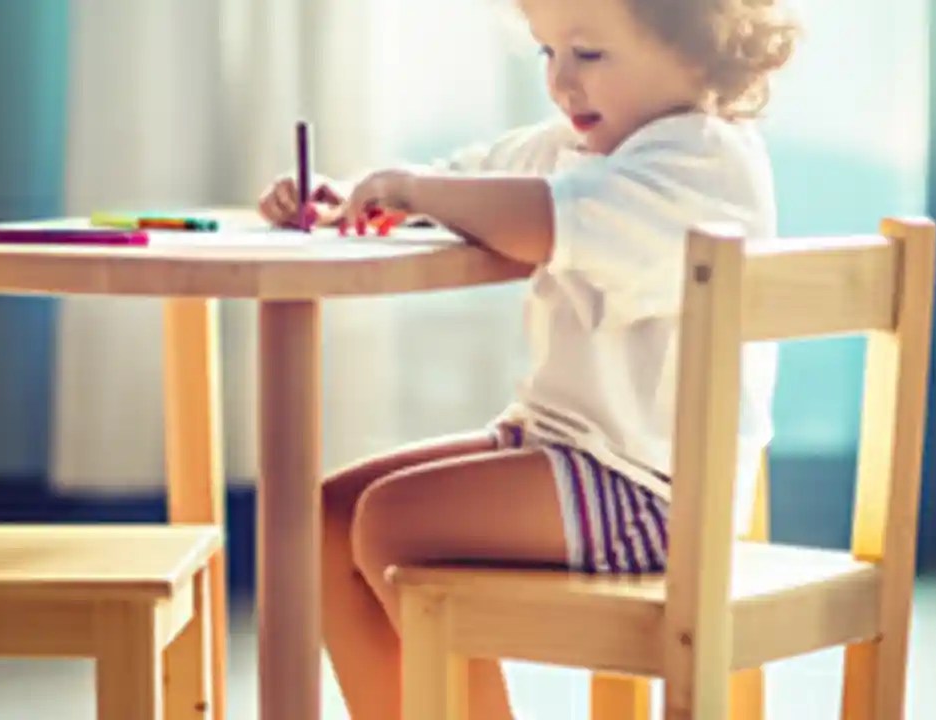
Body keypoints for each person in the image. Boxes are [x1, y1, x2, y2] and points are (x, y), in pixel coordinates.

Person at [258, 0, 800, 717]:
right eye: (548, 54)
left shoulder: (703, 158)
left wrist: (418, 191)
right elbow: (470, 180)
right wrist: (357, 195)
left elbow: (542, 218)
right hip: (571, 455)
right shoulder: (578, 147)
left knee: (389, 524)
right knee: (328, 515)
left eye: (589, 55)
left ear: (698, 53)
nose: (561, 82)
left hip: (656, 495)